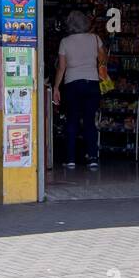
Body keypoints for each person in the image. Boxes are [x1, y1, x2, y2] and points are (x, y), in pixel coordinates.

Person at [53, 10, 107, 170]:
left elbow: (61, 68)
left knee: (72, 121)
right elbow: (103, 59)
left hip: (72, 84)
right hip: (92, 83)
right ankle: (92, 158)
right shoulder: (95, 39)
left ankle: (70, 159)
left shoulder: (65, 42)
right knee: (90, 121)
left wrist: (56, 87)